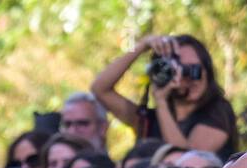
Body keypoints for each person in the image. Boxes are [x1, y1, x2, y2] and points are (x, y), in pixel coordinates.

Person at [92, 34, 238, 160]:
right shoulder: (149, 121)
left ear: (207, 70)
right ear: (163, 73)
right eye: (178, 70)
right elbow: (100, 89)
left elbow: (186, 161)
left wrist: (161, 102)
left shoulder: (219, 111)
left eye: (195, 69)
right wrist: (142, 46)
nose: (191, 78)